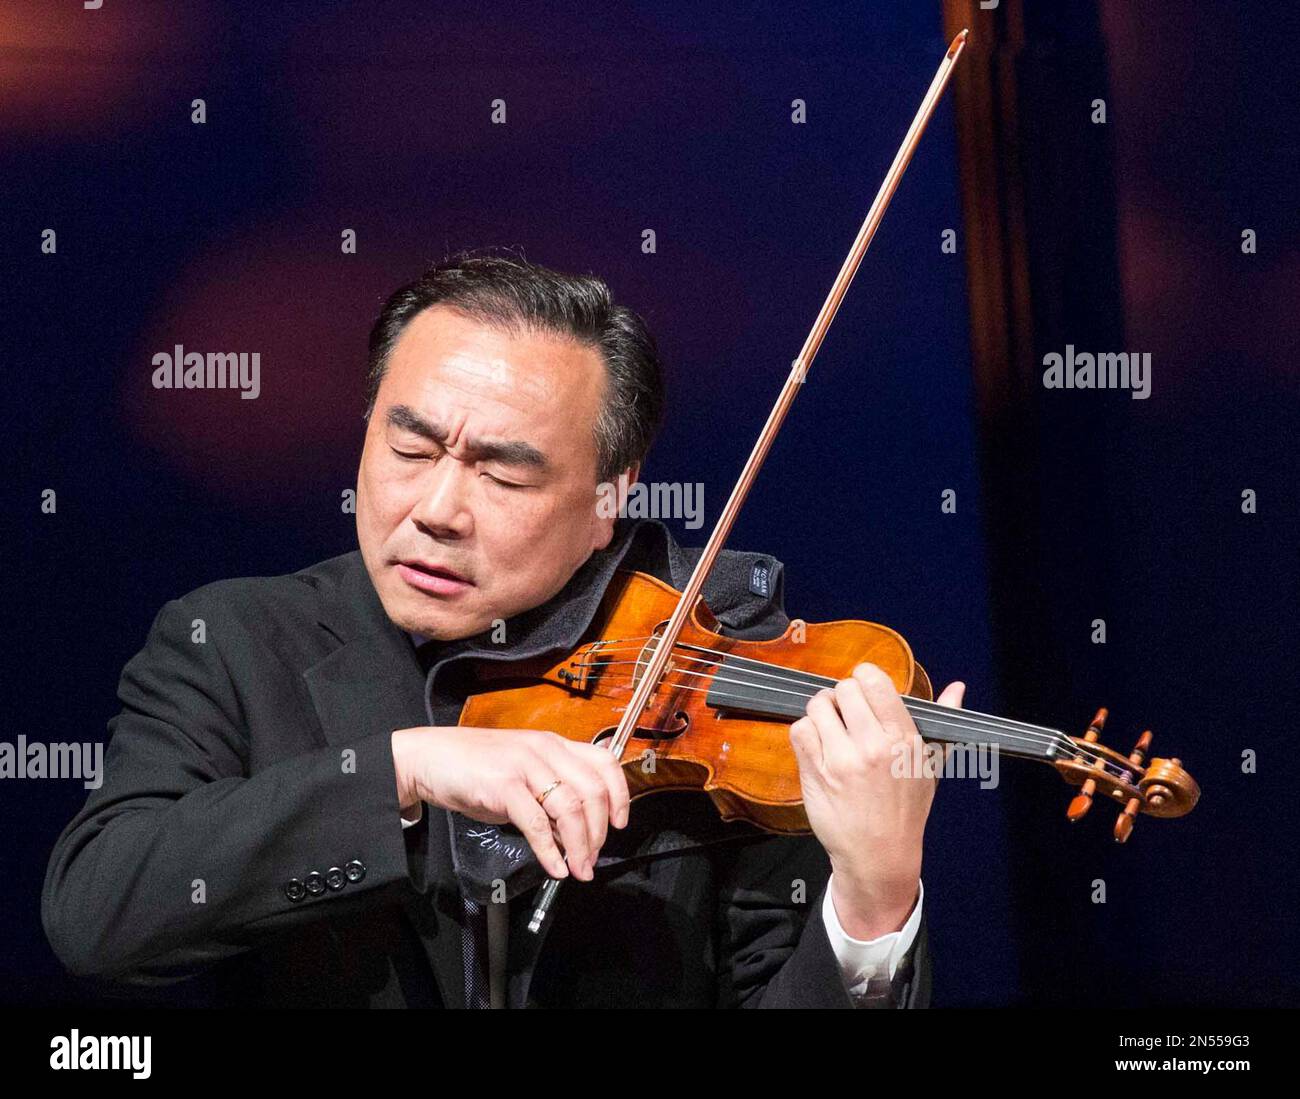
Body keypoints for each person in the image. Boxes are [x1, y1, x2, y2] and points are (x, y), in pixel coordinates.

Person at [42, 251, 965, 1008]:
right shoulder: (234, 643)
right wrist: (400, 770)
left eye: (505, 477)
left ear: (613, 497)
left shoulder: (714, 659)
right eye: (408, 447)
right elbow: (97, 909)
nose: (437, 507)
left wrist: (872, 902)